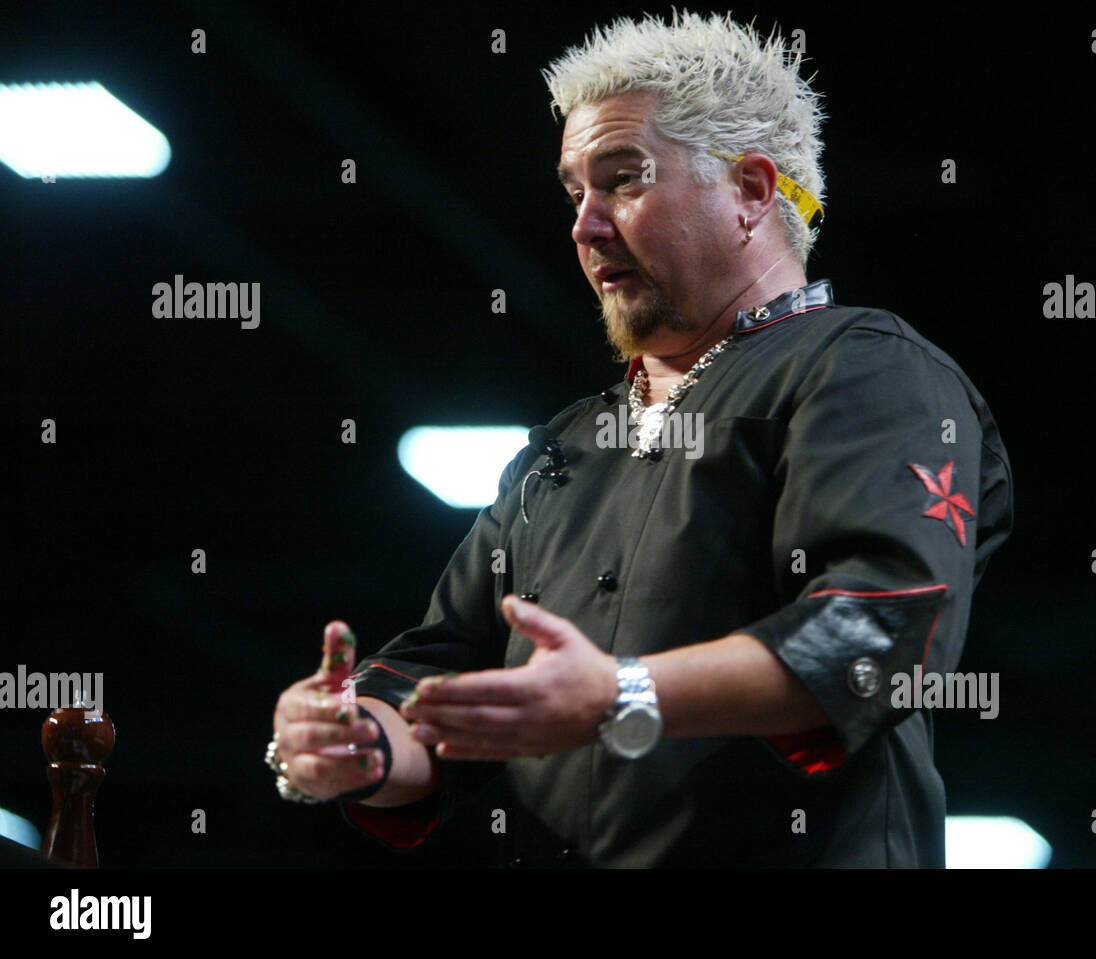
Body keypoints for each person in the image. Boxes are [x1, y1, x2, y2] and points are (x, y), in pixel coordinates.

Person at [268, 10, 1012, 867]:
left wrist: (622, 691)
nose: (584, 226)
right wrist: (352, 736)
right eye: (574, 192)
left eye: (622, 180)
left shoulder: (863, 369)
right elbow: (439, 674)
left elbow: (884, 627)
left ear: (752, 192)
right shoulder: (562, 448)